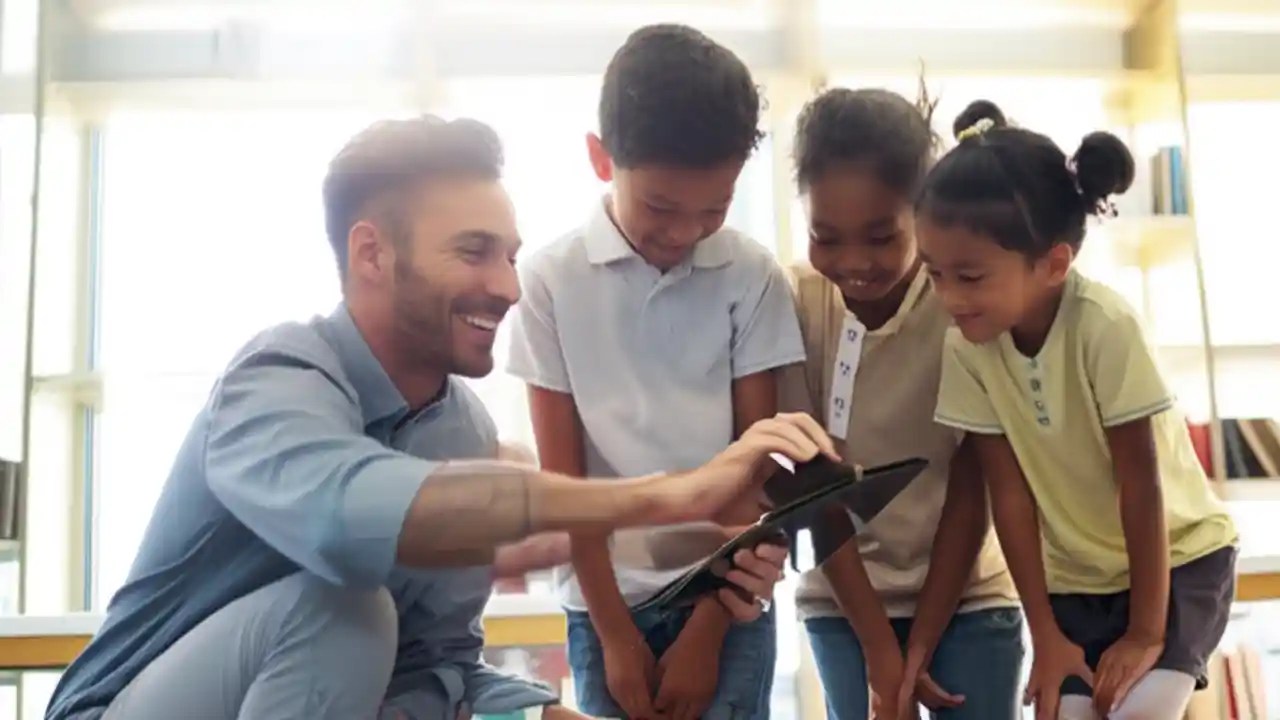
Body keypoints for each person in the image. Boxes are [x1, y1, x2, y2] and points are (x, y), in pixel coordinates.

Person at [44, 115, 824, 720]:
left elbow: (434, 662)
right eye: (475, 252)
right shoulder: (277, 376)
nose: (509, 288)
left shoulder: (462, 430)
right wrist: (676, 494)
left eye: (511, 256)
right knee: (345, 608)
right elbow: (352, 521)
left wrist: (550, 710)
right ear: (372, 254)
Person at [506, 23, 804, 720]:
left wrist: (707, 630)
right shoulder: (550, 282)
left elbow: (751, 471)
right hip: (603, 605)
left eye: (715, 209)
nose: (683, 232)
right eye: (661, 207)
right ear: (600, 158)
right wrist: (614, 635)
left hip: (730, 605)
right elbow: (566, 489)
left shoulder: (751, 276)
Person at [917, 100, 1239, 720]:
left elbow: (1140, 484)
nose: (948, 298)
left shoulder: (1104, 325)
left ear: (1053, 264)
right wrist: (1047, 636)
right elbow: (1008, 497)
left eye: (970, 276)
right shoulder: (966, 346)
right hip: (1076, 584)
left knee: (1139, 710)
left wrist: (1146, 633)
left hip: (1176, 562)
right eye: (934, 274)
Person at [778, 86, 1023, 720]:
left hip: (967, 595)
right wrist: (880, 653)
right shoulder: (794, 304)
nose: (854, 264)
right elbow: (810, 488)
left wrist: (918, 645)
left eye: (883, 236)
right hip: (842, 598)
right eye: (825, 237)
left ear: (924, 214)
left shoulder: (961, 306)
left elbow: (975, 486)